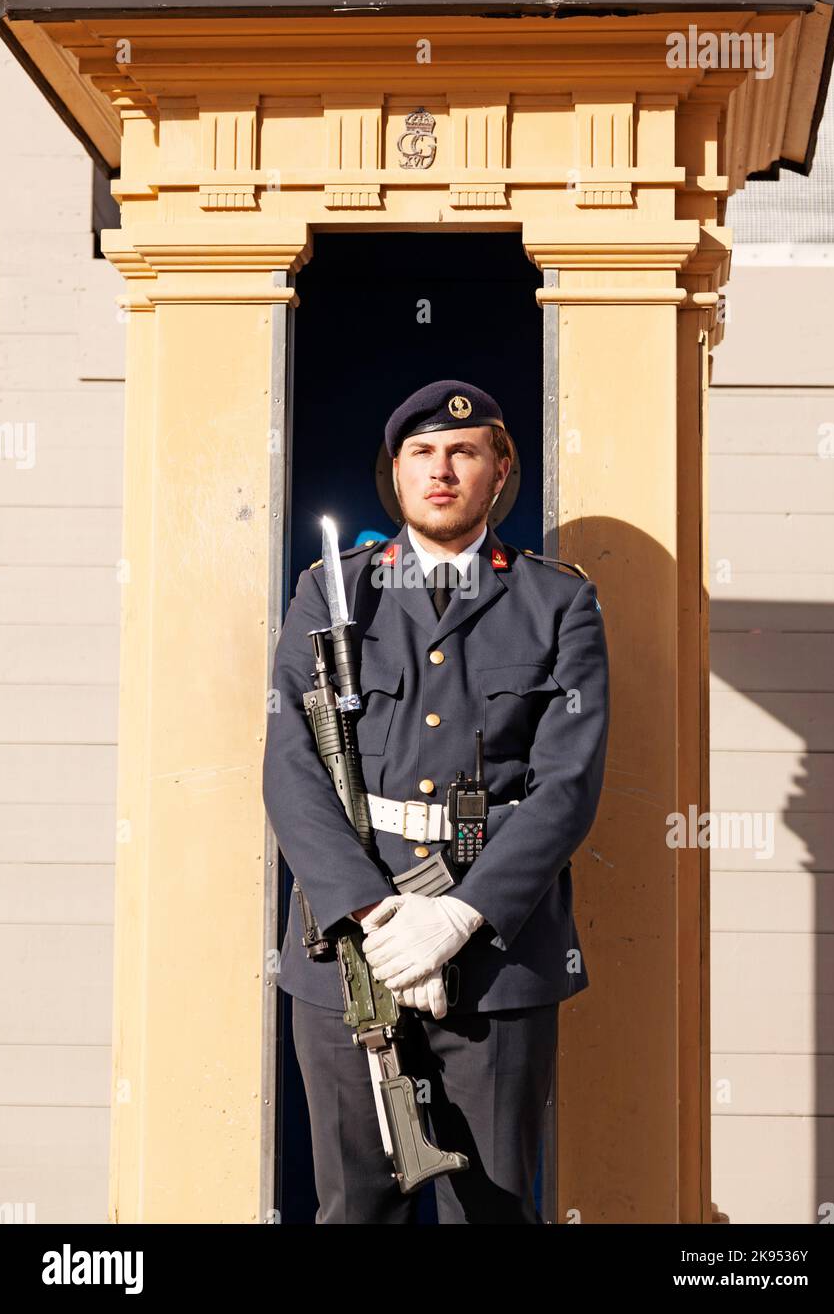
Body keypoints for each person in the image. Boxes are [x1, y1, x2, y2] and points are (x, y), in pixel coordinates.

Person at [262, 378, 610, 1223]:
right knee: (354, 1207)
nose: (441, 468)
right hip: (351, 953)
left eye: (464, 451)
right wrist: (373, 914)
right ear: (397, 475)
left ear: (500, 471)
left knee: (487, 1208)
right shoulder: (334, 592)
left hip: (496, 960)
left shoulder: (558, 600)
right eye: (420, 453)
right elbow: (292, 766)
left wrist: (461, 916)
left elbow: (567, 784)